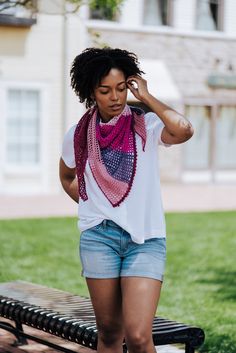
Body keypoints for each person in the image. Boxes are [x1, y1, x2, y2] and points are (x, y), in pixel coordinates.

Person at [59, 47, 194, 353]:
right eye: (105, 90)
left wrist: (146, 97)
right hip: (99, 239)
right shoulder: (77, 135)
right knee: (108, 333)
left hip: (145, 240)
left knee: (137, 335)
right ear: (91, 91)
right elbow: (68, 177)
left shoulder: (145, 125)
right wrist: (89, 205)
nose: (116, 98)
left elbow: (184, 130)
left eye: (121, 89)